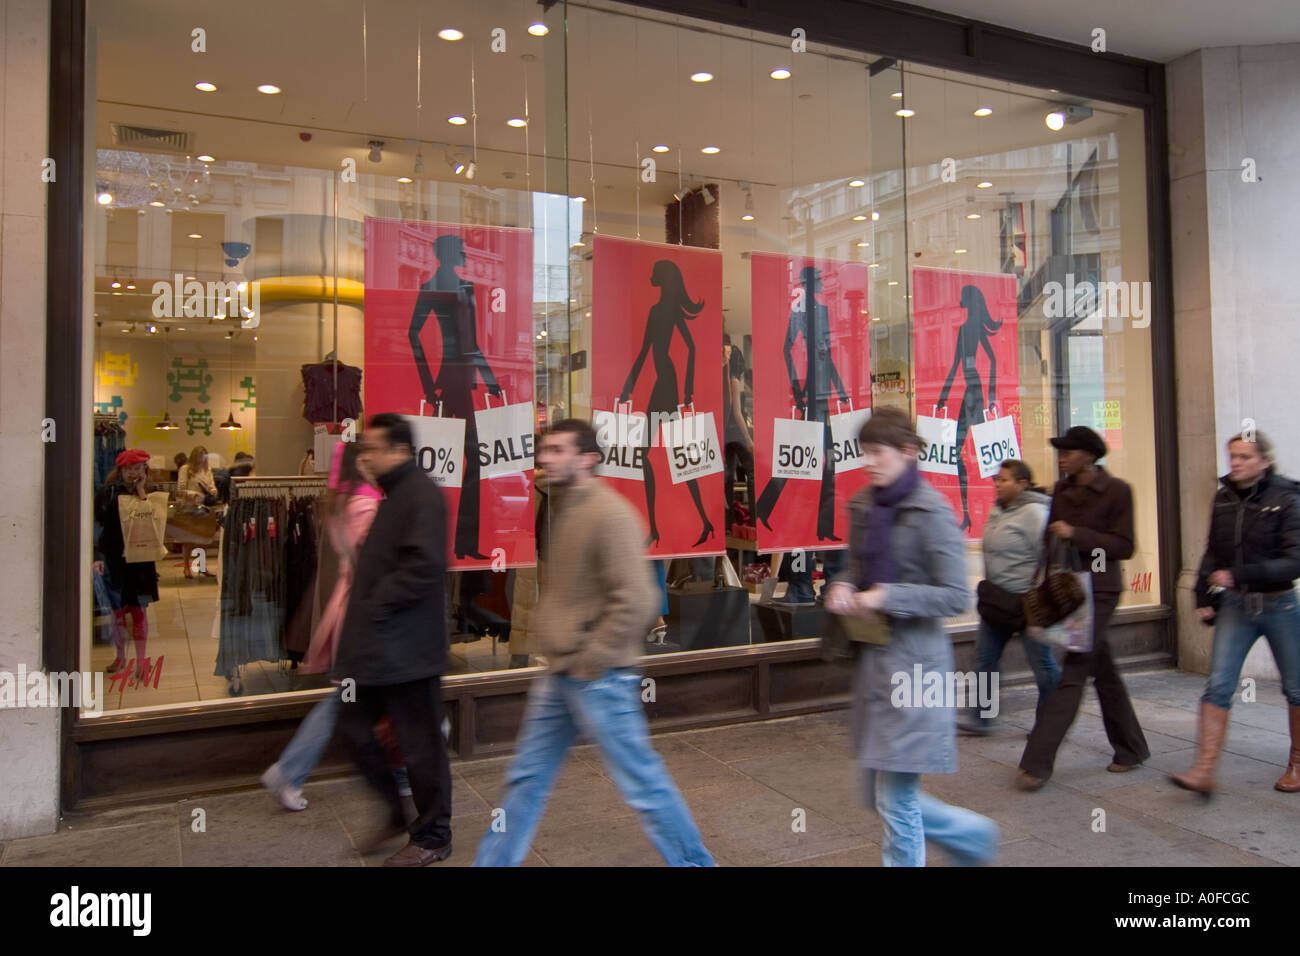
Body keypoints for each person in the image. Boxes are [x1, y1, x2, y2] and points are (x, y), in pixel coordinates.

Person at [473, 419, 714, 867]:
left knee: (643, 785)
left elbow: (639, 597)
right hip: (562, 671)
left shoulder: (611, 514)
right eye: (545, 450)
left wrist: (592, 656)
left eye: (558, 450)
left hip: (600, 677)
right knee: (527, 777)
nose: (546, 458)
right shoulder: (563, 508)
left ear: (587, 459)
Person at [824, 408, 999, 867]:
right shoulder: (865, 504)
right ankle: (971, 834)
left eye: (878, 452)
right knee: (873, 791)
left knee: (895, 797)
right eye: (864, 453)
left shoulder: (932, 512)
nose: (869, 462)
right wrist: (843, 585)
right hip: (874, 662)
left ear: (907, 452)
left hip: (917, 668)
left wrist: (889, 595)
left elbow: (956, 596)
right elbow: (856, 566)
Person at [331, 413, 454, 866]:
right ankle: (394, 814)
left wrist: (378, 602)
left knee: (421, 748)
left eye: (374, 448)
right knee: (355, 730)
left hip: (410, 651)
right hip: (381, 649)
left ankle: (433, 836)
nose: (366, 456)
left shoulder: (421, 495)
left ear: (400, 451)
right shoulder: (394, 494)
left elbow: (423, 567)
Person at [1016, 426, 1150, 791]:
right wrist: (1039, 580)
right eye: (1060, 452)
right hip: (1067, 587)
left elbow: (1123, 547)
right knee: (1102, 669)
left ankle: (1037, 762)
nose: (1061, 458)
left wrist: (1077, 534)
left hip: (1101, 589)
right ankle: (1131, 749)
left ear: (1089, 456)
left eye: (1068, 451)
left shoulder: (1119, 491)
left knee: (1074, 670)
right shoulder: (1061, 489)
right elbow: (1049, 541)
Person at [1173, 430, 1300, 795]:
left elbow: (1294, 562)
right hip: (1236, 606)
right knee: (1218, 683)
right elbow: (1212, 551)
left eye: (1245, 457)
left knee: (1295, 687)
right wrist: (1202, 595)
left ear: (1264, 461)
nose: (1236, 463)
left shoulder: (1287, 498)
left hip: (1279, 604)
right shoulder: (1224, 497)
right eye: (1233, 456)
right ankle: (1204, 770)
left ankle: (1297, 764)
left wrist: (1240, 574)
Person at [261, 442, 381, 811]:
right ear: (358, 464)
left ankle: (290, 771)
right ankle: (289, 770)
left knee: (360, 697)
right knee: (350, 699)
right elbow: (373, 559)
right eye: (368, 458)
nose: (376, 463)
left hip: (354, 605)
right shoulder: (366, 503)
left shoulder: (340, 502)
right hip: (368, 610)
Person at [408, 234, 502, 560]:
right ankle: (457, 542)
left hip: (458, 381)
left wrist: (488, 380)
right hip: (454, 383)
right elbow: (415, 334)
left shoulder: (461, 288)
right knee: (462, 460)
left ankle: (458, 543)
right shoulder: (439, 287)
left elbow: (471, 344)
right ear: (449, 255)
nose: (464, 254)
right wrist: (427, 384)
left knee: (456, 461)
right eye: (460, 250)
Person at [958, 460, 1060, 735]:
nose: (997, 484)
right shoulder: (998, 510)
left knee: (1043, 665)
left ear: (1022, 484)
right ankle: (981, 719)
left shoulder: (1035, 514)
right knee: (984, 660)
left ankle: (1052, 722)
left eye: (1004, 480)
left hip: (1027, 604)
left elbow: (1050, 558)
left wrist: (1038, 594)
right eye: (996, 480)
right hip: (998, 603)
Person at [618, 259, 714, 549]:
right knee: (677, 456)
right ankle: (696, 522)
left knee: (668, 455)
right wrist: (627, 389)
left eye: (654, 273)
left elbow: (692, 348)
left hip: (667, 386)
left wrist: (687, 393)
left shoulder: (666, 310)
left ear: (663, 278)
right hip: (664, 384)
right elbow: (645, 352)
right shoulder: (657, 310)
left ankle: (661, 527)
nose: (650, 276)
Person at [755, 266, 849, 542]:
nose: (821, 284)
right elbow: (787, 348)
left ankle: (776, 511)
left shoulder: (822, 311)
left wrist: (840, 390)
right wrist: (796, 388)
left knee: (822, 461)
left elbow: (826, 355)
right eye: (817, 281)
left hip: (821, 395)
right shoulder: (801, 311)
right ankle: (807, 522)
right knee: (807, 460)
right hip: (810, 394)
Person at [935, 285, 1002, 531]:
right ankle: (969, 514)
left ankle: (972, 514)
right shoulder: (967, 328)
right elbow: (957, 366)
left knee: (974, 456)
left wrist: (992, 394)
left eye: (963, 296)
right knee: (974, 456)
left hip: (974, 396)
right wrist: (944, 396)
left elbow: (959, 366)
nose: (959, 299)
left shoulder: (967, 328)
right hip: (972, 395)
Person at [93, 449, 160, 676]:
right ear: (120, 470)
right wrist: (96, 556)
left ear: (145, 470)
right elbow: (98, 524)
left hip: (141, 560)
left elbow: (154, 521)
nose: (134, 473)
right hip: (114, 558)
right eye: (130, 469)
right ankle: (120, 656)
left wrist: (141, 491)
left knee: (139, 611)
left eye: (139, 468)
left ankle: (142, 660)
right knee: (118, 612)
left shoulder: (150, 493)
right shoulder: (108, 492)